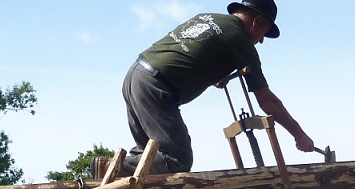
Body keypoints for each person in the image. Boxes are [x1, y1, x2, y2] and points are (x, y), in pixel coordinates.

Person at [121, 1, 313, 174]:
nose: (261, 40)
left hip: (136, 74)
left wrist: (214, 70)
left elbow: (192, 49)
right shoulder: (240, 40)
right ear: (258, 21)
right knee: (176, 160)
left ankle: (117, 179)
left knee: (148, 157)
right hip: (155, 86)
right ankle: (109, 167)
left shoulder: (206, 17)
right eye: (265, 33)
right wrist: (299, 135)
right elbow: (267, 100)